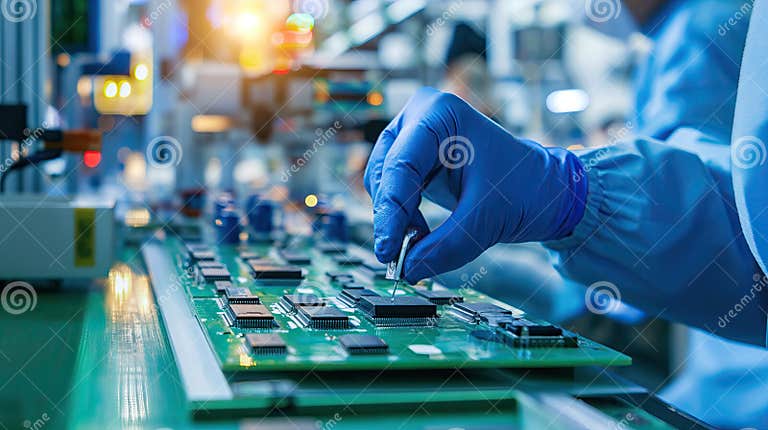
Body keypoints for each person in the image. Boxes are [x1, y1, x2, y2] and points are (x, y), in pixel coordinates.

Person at [364, 0, 768, 426]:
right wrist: (569, 193)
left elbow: (735, 228)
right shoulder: (681, 34)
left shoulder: (704, 29)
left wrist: (569, 192)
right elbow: (742, 218)